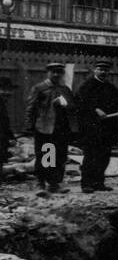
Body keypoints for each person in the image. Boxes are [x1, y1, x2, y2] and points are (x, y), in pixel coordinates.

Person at [74, 60, 118, 193]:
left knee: (104, 157)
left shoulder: (110, 87)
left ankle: (99, 183)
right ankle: (86, 184)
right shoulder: (86, 86)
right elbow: (80, 103)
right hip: (91, 128)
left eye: (105, 70)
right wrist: (95, 109)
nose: (103, 72)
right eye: (100, 69)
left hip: (106, 128)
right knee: (90, 156)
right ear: (94, 70)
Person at [25, 62, 76, 195]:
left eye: (59, 72)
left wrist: (64, 104)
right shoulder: (40, 88)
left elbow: (73, 107)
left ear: (62, 74)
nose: (56, 74)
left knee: (59, 156)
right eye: (53, 71)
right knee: (46, 156)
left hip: (61, 128)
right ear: (48, 73)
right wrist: (29, 126)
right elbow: (31, 108)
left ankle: (55, 183)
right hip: (44, 127)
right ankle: (41, 183)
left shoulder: (65, 89)